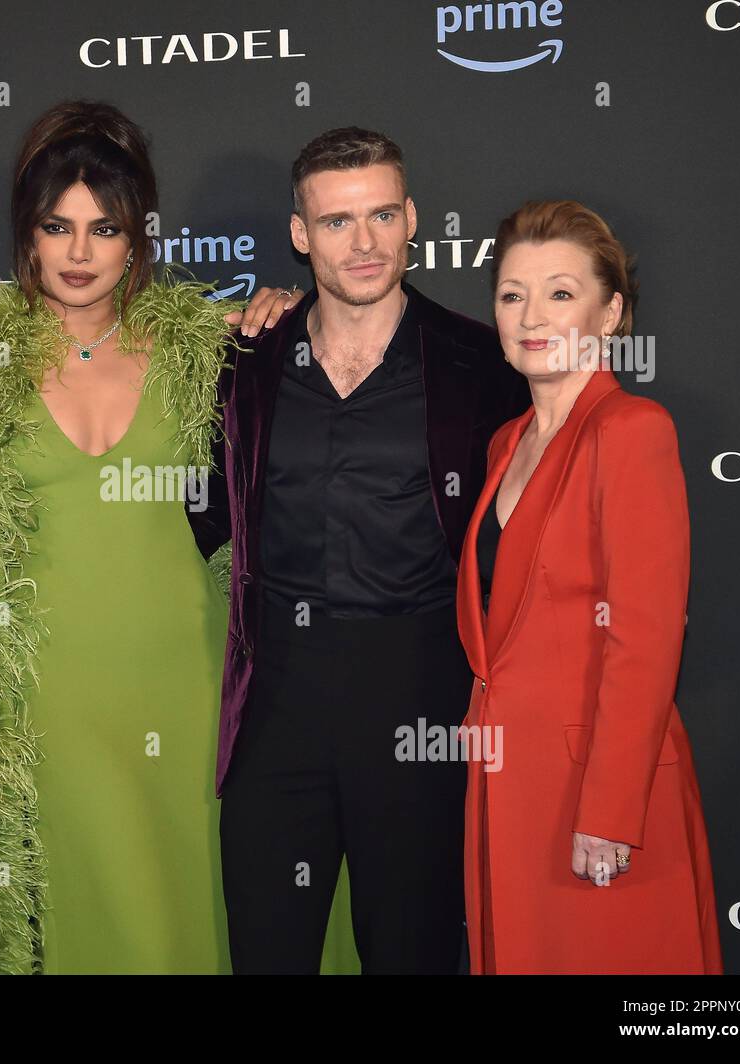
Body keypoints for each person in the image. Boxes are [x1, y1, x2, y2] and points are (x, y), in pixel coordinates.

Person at [0, 100, 296, 973]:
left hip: (188, 688)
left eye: (104, 228)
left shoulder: (208, 350)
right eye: (57, 226)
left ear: (136, 240)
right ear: (28, 236)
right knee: (96, 924)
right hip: (50, 705)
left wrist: (280, 315)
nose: (79, 253)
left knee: (191, 911)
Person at [190, 127, 530, 974]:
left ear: (412, 217)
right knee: (268, 949)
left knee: (411, 952)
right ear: (301, 235)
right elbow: (202, 518)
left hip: (421, 694)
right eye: (337, 222)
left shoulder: (482, 363)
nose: (365, 242)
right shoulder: (244, 362)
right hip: (277, 703)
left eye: (382, 214)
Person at [456, 199, 722, 974]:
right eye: (512, 295)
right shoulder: (508, 442)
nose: (531, 315)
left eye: (560, 293)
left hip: (596, 799)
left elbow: (643, 638)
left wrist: (608, 812)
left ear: (612, 315)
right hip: (507, 790)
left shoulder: (633, 430)